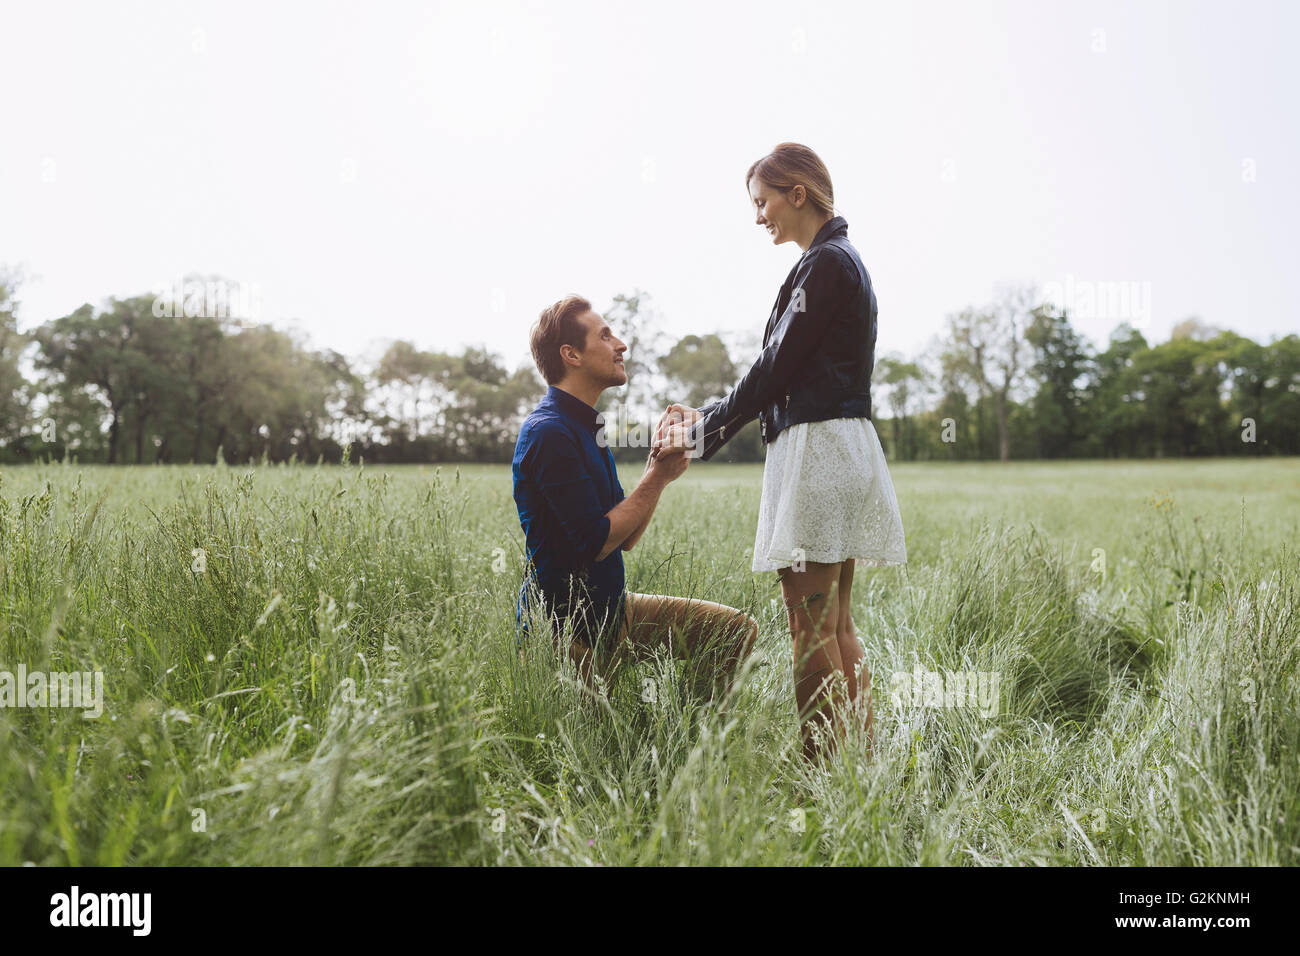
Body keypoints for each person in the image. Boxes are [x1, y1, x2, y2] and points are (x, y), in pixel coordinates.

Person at [654, 142, 907, 762]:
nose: (758, 215)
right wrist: (711, 418)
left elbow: (773, 369)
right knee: (835, 624)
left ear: (798, 194)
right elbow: (781, 372)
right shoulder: (838, 261)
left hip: (819, 450)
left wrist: (704, 428)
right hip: (841, 447)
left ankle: (825, 771)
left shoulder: (826, 266)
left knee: (810, 626)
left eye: (763, 201)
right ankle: (858, 767)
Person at [512, 294, 758, 705]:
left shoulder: (585, 425)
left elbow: (624, 538)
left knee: (733, 631)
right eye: (605, 336)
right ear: (571, 354)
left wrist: (656, 474)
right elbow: (598, 540)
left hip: (612, 612)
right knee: (604, 748)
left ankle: (699, 740)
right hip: (568, 633)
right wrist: (656, 478)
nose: (620, 344)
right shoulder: (549, 432)